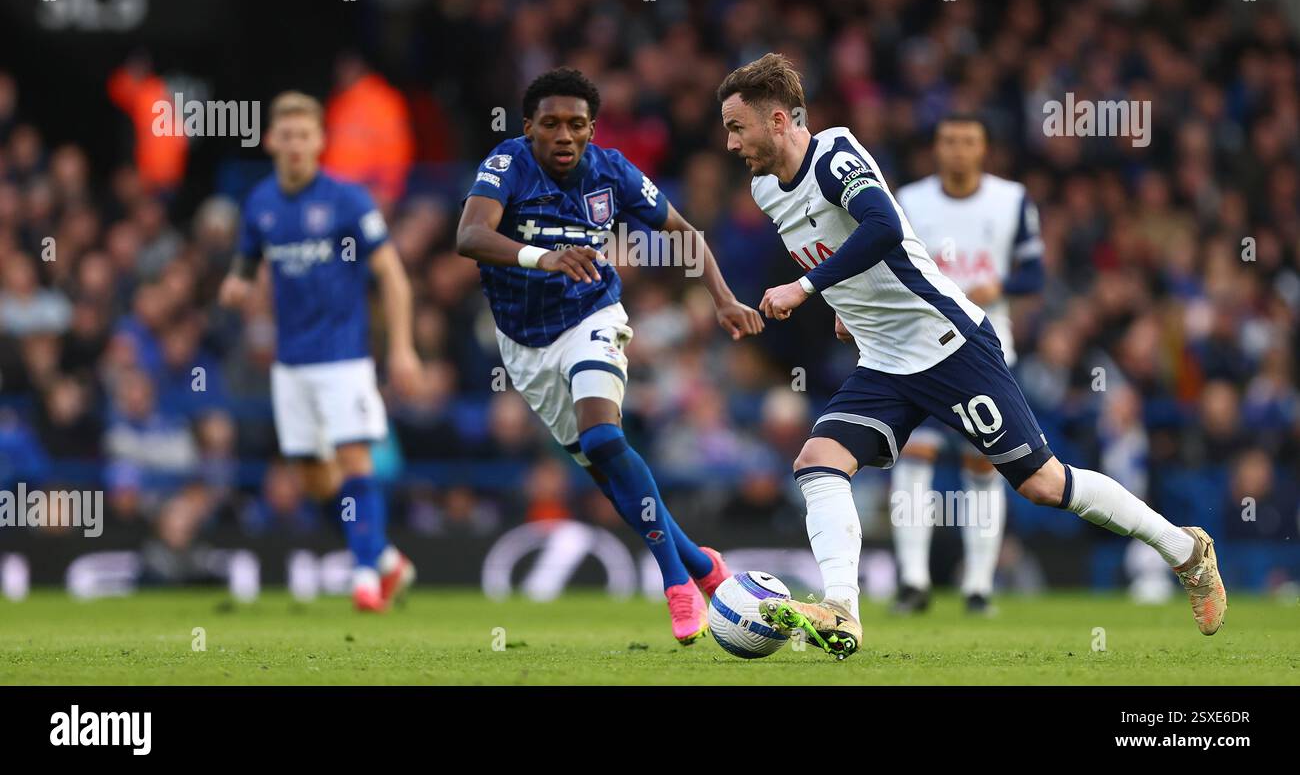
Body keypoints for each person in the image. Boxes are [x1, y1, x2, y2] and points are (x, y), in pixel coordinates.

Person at [718, 53, 1226, 660]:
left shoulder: (834, 158)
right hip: (884, 360)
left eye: (736, 127)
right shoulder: (763, 188)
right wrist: (849, 307)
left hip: (948, 344)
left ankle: (1184, 550)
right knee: (818, 460)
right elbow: (836, 244)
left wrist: (807, 288)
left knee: (1042, 483)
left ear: (777, 120)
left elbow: (882, 227)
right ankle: (842, 610)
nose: (730, 143)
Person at [457, 67, 764, 644]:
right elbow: (469, 236)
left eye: (577, 124)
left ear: (592, 129)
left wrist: (722, 299)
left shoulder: (611, 171)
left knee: (603, 438)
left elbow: (683, 231)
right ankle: (703, 567)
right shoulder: (506, 165)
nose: (564, 136)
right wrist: (542, 258)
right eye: (550, 124)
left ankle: (675, 582)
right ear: (529, 127)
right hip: (524, 344)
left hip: (592, 317)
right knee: (607, 474)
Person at [218, 91, 420, 612]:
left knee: (355, 461)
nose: (295, 146)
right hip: (291, 364)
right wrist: (236, 286)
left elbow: (393, 277)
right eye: (286, 136)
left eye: (305, 136)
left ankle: (363, 579)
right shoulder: (261, 204)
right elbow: (245, 262)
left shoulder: (349, 201)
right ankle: (384, 559)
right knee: (312, 477)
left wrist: (401, 348)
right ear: (271, 142)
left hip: (345, 357)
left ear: (320, 142)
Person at [889, 114, 1045, 615]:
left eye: (968, 141)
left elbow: (1035, 273)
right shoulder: (909, 201)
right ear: (936, 148)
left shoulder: (1012, 199)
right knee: (915, 459)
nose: (958, 150)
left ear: (984, 149)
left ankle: (978, 586)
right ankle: (913, 582)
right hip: (922, 347)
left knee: (985, 464)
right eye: (949, 140)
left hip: (988, 348)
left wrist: (998, 286)